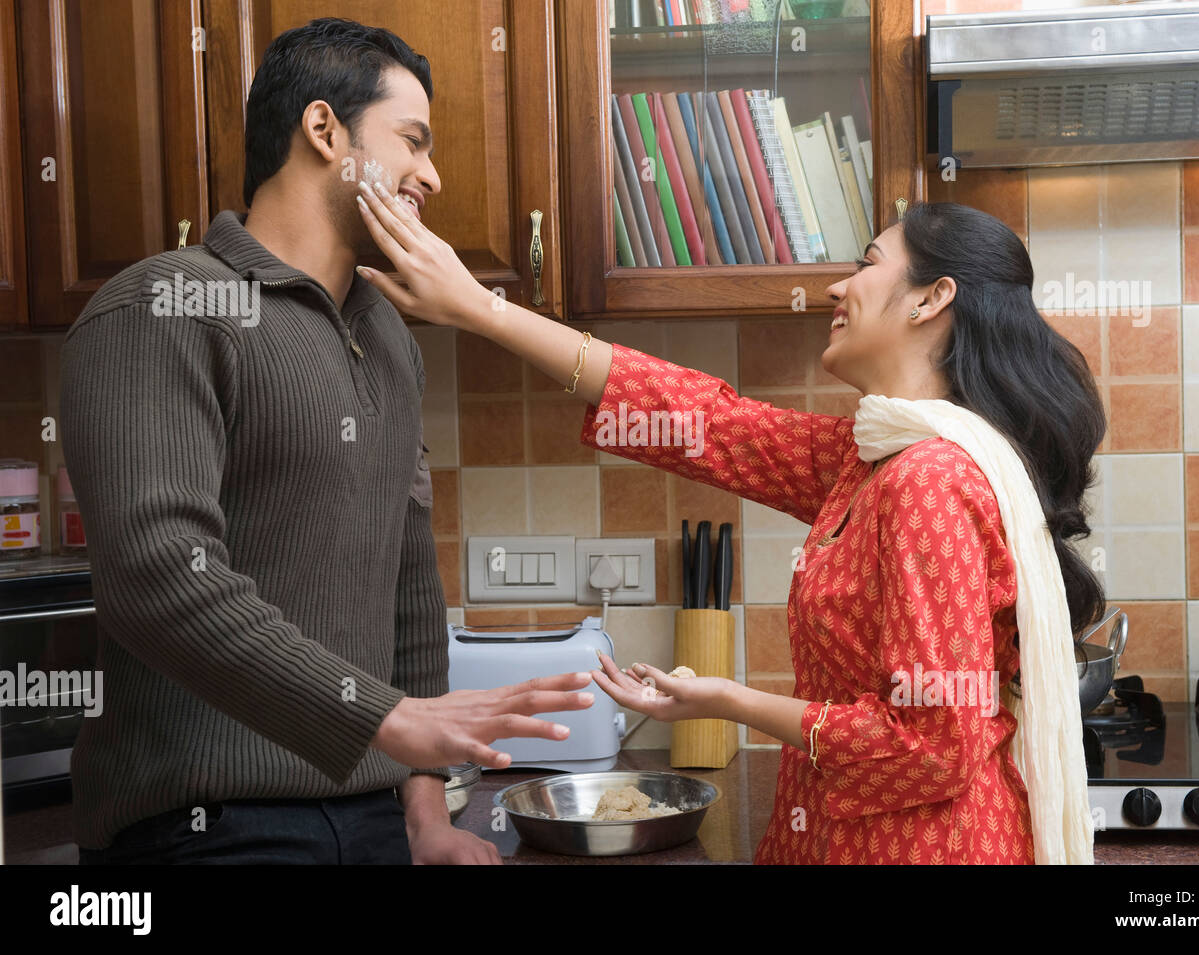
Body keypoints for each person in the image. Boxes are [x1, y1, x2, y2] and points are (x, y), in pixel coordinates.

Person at [354, 184, 1108, 865]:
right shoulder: (873, 460)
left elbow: (932, 747)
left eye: (868, 263)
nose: (838, 286)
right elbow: (703, 422)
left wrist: (728, 701)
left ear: (930, 299)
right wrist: (478, 308)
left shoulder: (927, 480)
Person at [61, 18, 593, 866]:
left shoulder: (388, 338)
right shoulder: (163, 307)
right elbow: (158, 577)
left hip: (375, 820)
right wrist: (385, 717)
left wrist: (424, 813)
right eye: (412, 141)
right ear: (323, 130)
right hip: (206, 828)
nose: (433, 175)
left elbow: (408, 580)